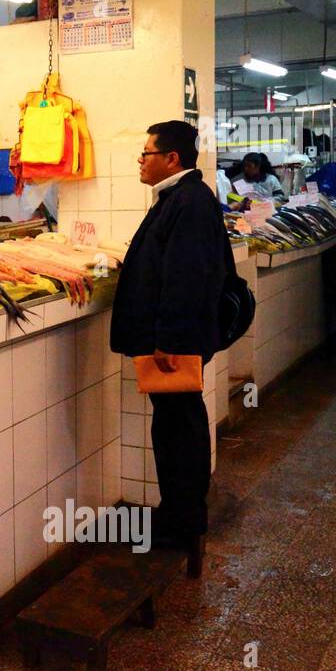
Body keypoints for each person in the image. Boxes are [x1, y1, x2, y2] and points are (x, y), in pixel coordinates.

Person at [110, 121, 232, 554]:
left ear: (171, 159)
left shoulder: (190, 202)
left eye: (146, 154)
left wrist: (169, 340)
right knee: (173, 424)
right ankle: (176, 511)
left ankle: (183, 523)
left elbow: (187, 278)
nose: (140, 162)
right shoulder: (178, 198)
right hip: (171, 338)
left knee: (180, 427)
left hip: (175, 342)